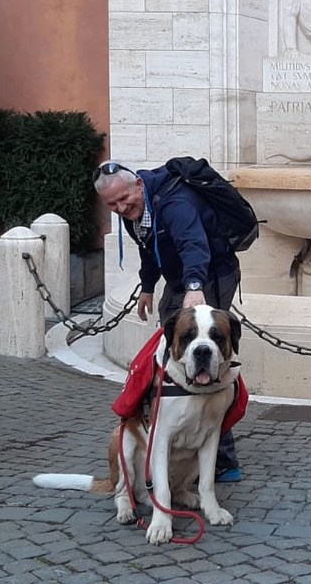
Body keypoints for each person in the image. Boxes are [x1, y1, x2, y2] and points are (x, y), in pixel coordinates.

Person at [94, 160, 243, 482]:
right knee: (172, 351)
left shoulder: (175, 204)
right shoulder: (137, 211)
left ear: (138, 186)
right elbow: (150, 251)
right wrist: (147, 288)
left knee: (210, 356)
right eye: (112, 205)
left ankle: (224, 460)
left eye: (124, 199)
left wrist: (194, 288)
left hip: (211, 274)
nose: (121, 207)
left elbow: (194, 246)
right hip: (181, 279)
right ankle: (172, 428)